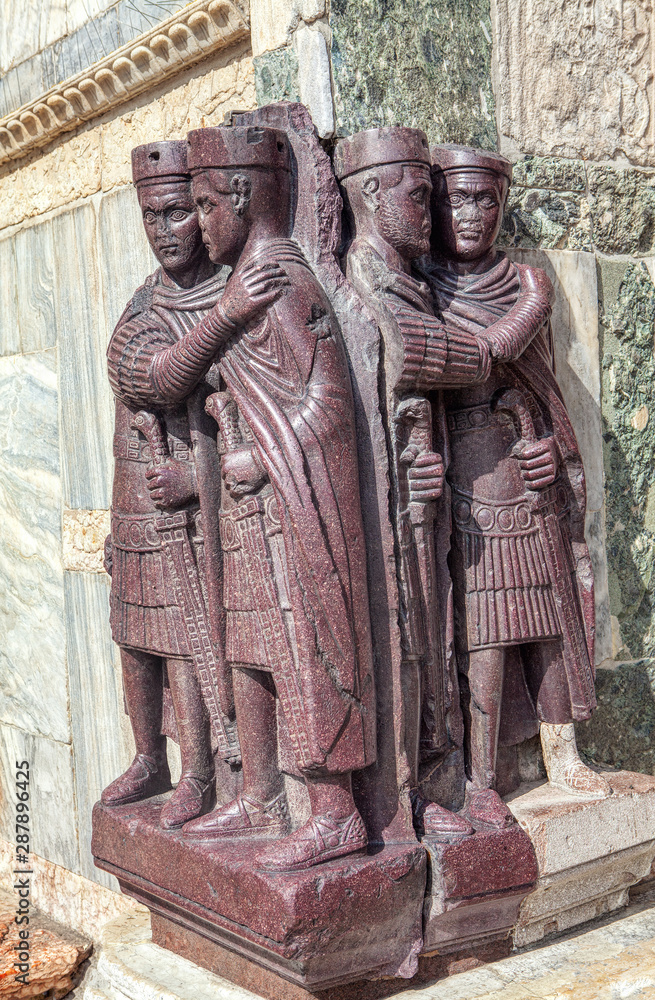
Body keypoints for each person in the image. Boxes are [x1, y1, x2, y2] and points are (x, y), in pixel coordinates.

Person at [137, 124, 376, 873]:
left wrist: (257, 454)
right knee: (249, 654)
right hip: (250, 511)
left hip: (291, 508)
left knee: (305, 654)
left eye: (205, 205)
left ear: (242, 197)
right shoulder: (243, 284)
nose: (197, 223)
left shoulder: (281, 283)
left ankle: (335, 813)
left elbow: (328, 405)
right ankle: (261, 796)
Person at [417, 144, 610, 827]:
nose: (471, 214)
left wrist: (548, 445)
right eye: (455, 200)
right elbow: (426, 382)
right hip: (465, 485)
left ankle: (563, 752)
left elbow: (533, 374)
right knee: (484, 634)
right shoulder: (420, 289)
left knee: (549, 620)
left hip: (526, 480)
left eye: (485, 200)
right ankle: (478, 770)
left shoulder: (526, 283)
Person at [334, 127, 492, 839]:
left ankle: (437, 780)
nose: (431, 214)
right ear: (369, 193)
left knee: (431, 637)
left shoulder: (407, 280)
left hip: (423, 506)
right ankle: (408, 798)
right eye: (417, 196)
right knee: (404, 642)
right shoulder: (362, 279)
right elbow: (406, 354)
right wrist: (486, 347)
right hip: (388, 512)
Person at [102, 140, 234, 831]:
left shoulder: (231, 294)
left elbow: (243, 405)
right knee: (135, 635)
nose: (163, 230)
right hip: (136, 492)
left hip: (194, 501)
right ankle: (148, 756)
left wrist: (196, 476)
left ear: (205, 212)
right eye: (151, 216)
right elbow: (141, 380)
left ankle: (200, 773)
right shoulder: (143, 302)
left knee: (185, 636)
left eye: (178, 212)